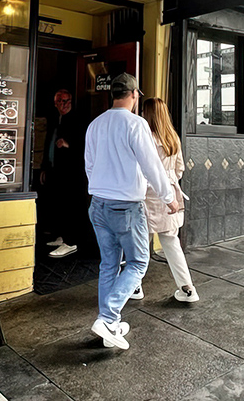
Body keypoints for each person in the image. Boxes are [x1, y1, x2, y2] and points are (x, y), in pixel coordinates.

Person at [85, 73, 179, 350]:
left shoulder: (95, 124)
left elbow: (89, 165)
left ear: (112, 94)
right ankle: (107, 318)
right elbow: (152, 165)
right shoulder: (136, 124)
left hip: (98, 204)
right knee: (138, 262)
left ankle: (110, 326)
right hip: (125, 206)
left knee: (109, 264)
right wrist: (169, 197)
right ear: (135, 95)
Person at [136, 97, 199, 303]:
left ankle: (135, 285)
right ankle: (187, 288)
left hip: (148, 196)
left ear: (148, 114)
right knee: (172, 243)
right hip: (171, 195)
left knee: (140, 243)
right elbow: (180, 169)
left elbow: (142, 169)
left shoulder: (146, 138)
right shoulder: (173, 138)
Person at [42, 89, 83, 258]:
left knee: (69, 206)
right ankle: (62, 237)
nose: (63, 104)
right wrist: (44, 167)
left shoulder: (77, 120)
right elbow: (48, 145)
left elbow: (86, 146)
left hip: (71, 173)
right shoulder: (55, 119)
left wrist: (69, 145)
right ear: (55, 104)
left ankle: (71, 242)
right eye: (60, 101)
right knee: (58, 205)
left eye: (66, 101)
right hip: (55, 169)